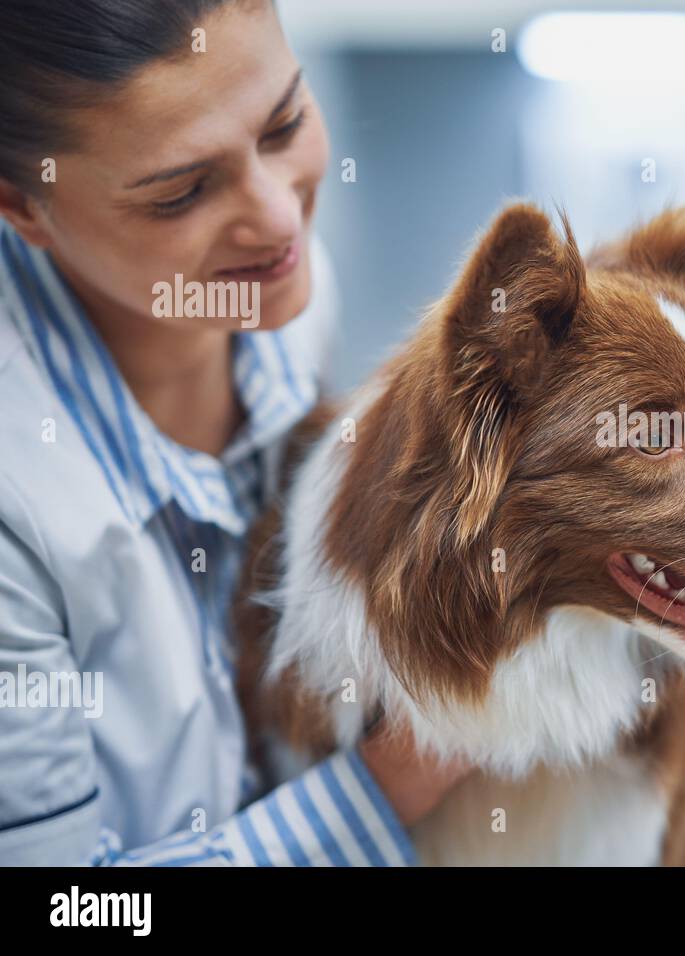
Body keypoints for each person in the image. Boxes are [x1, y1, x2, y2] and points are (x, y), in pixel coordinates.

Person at [0, 0, 468, 866]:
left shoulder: (284, 295)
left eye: (285, 122)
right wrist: (392, 784)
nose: (280, 221)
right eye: (181, 192)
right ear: (23, 206)